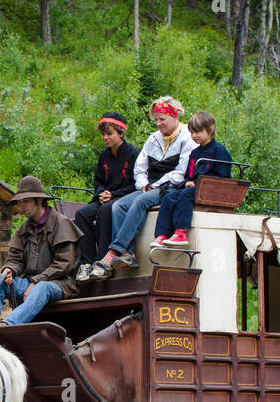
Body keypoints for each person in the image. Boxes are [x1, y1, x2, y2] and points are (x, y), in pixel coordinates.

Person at [83, 96, 197, 280]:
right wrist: (143, 183)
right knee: (117, 205)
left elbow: (180, 172)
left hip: (170, 187)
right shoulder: (153, 139)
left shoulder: (186, 138)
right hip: (149, 186)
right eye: (156, 119)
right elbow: (140, 167)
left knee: (139, 202)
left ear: (174, 117)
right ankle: (128, 254)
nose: (158, 123)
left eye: (162, 119)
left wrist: (154, 185)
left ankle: (115, 250)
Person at [0, 176, 81, 327]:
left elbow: (64, 264)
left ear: (39, 200)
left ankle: (8, 324)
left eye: (25, 200)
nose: (21, 205)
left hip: (60, 284)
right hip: (31, 283)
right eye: (19, 201)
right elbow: (15, 259)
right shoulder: (23, 229)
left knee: (43, 287)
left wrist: (37, 281)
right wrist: (9, 269)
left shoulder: (61, 223)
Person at [152, 111, 233, 247]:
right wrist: (188, 183)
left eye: (198, 132)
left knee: (186, 194)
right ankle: (162, 234)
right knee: (169, 197)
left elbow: (222, 176)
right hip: (195, 188)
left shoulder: (218, 150)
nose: (194, 136)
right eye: (192, 132)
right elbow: (189, 175)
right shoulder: (195, 153)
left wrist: (196, 184)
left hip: (213, 190)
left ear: (210, 130)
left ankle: (181, 231)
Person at [72, 113, 138, 264]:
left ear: (121, 133)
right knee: (81, 214)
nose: (105, 138)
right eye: (103, 134)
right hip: (104, 198)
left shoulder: (133, 154)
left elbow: (135, 184)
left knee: (105, 210)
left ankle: (102, 258)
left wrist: (114, 194)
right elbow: (98, 180)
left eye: (109, 134)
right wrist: (101, 193)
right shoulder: (103, 156)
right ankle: (87, 261)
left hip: (123, 198)